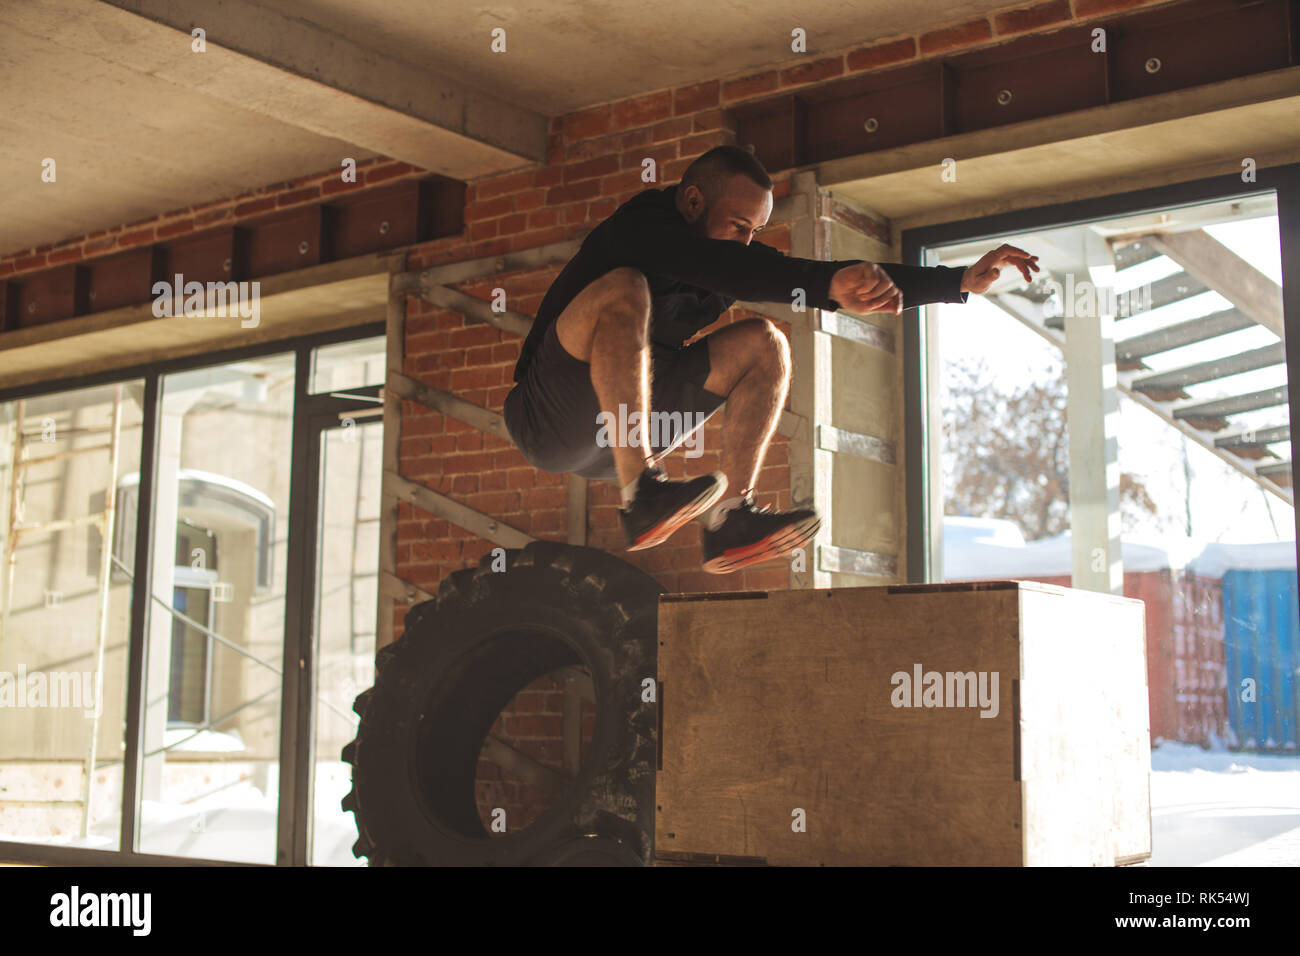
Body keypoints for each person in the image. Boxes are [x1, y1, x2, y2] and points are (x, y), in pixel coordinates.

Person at [504, 145, 1038, 573]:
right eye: (739, 226)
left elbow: (786, 271)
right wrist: (823, 282)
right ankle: (641, 492)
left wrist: (956, 280)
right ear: (692, 202)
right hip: (549, 413)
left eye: (755, 231)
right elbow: (722, 268)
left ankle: (729, 521)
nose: (746, 242)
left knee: (765, 343)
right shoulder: (642, 223)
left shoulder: (730, 256)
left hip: (635, 421)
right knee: (626, 288)